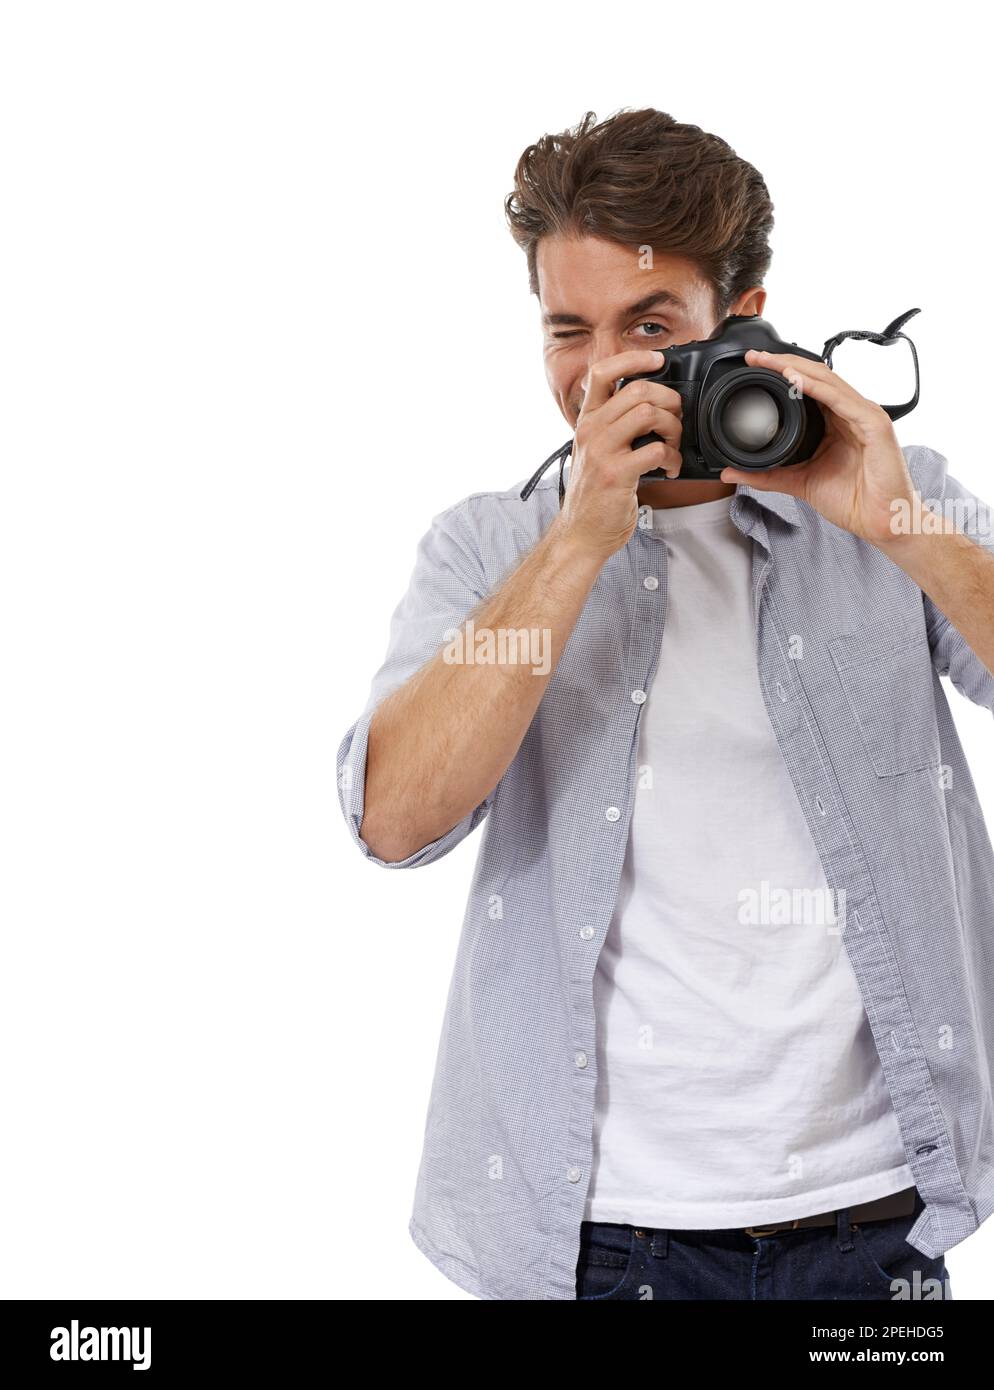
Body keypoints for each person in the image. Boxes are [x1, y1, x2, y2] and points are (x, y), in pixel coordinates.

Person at [336, 108, 993, 1300]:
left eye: (649, 325)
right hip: (599, 1241)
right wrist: (579, 542)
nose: (604, 372)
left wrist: (900, 527)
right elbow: (393, 818)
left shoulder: (892, 501)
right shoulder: (494, 547)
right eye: (568, 332)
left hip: (873, 1225)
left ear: (741, 323)